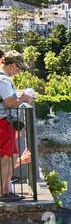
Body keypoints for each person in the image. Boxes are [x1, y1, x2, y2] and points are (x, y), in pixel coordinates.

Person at [0, 50, 36, 201]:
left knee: (9, 157)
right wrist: (24, 98)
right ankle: (3, 193)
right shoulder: (3, 80)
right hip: (2, 122)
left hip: (6, 122)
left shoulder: (5, 79)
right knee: (5, 158)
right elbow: (9, 103)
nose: (19, 71)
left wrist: (20, 96)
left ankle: (7, 192)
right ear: (13, 65)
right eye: (19, 68)